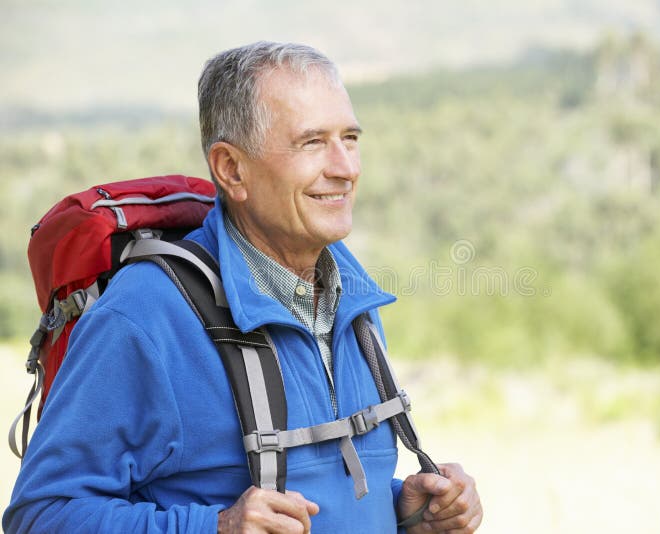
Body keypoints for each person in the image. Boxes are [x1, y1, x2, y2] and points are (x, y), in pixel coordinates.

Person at [3, 42, 483, 533]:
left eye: (350, 138)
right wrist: (218, 527)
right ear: (231, 169)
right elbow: (40, 515)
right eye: (312, 142)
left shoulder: (354, 300)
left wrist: (402, 510)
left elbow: (325, 490)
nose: (346, 167)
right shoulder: (144, 316)